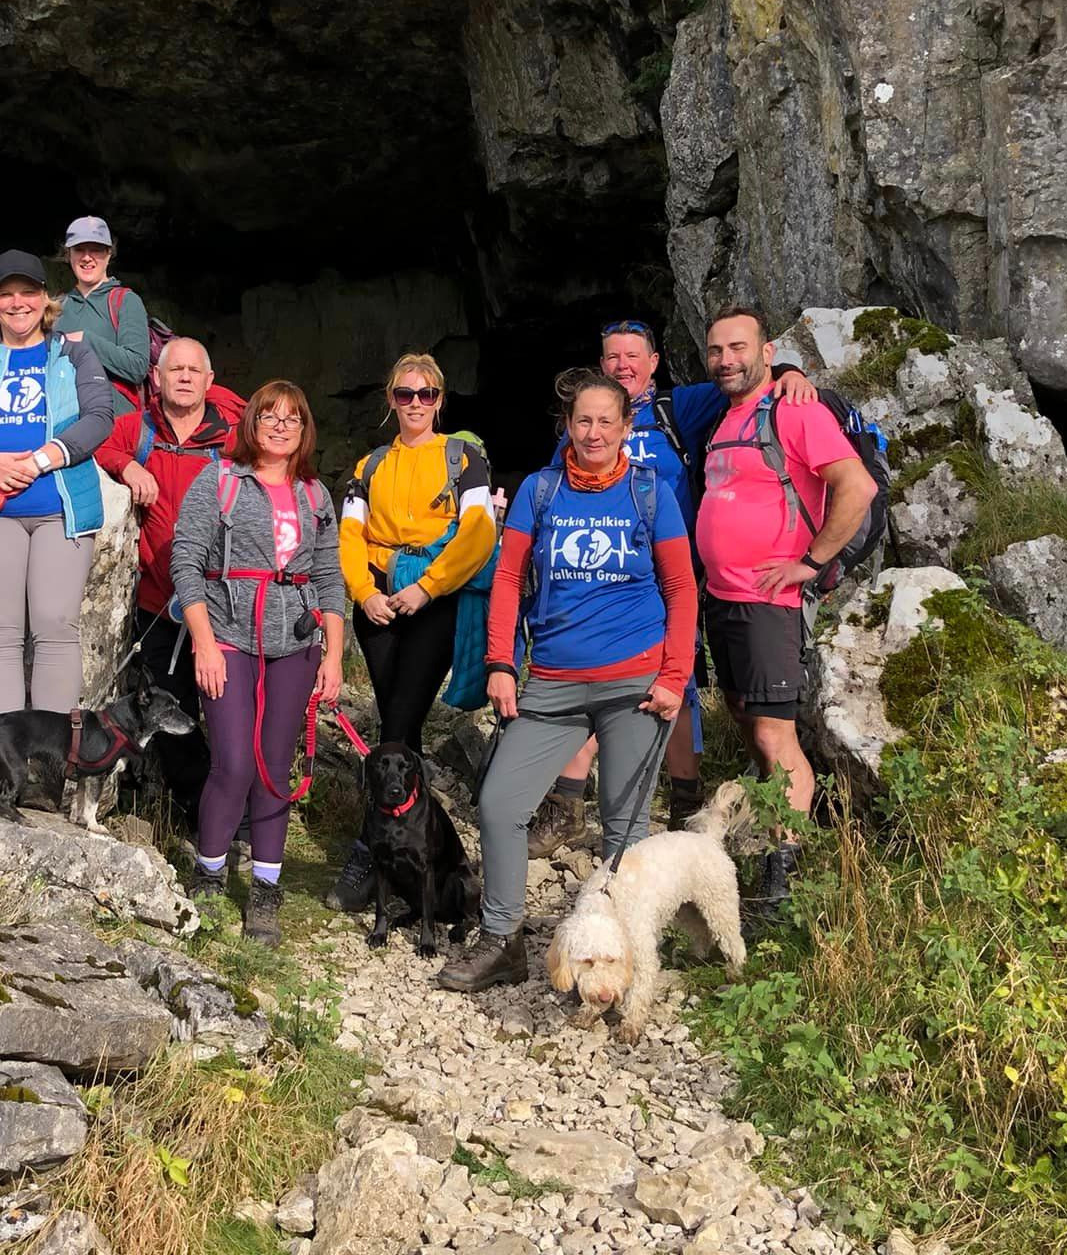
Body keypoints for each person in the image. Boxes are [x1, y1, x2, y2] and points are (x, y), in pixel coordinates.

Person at [437, 369, 699, 992]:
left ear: (627, 426)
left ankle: (621, 953)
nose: (594, 432)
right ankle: (502, 941)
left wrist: (675, 675)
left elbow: (682, 587)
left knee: (624, 828)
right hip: (552, 681)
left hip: (636, 684)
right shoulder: (540, 489)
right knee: (501, 805)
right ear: (567, 425)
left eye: (607, 421)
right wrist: (501, 663)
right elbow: (507, 578)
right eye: (583, 420)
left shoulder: (650, 491)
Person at [527, 320, 818, 855]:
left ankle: (685, 801)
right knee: (590, 677)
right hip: (603, 577)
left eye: (633, 356)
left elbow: (742, 379)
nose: (623, 366)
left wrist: (787, 371)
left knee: (678, 683)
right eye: (612, 358)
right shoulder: (588, 420)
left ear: (654, 363)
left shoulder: (677, 407)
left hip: (673, 575)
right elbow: (555, 494)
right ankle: (567, 805)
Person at [698, 306, 877, 911]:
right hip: (725, 599)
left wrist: (813, 562)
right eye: (716, 350)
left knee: (774, 735)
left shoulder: (794, 411)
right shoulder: (727, 417)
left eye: (738, 347)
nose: (726, 359)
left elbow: (857, 486)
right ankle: (776, 818)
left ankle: (784, 878)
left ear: (767, 352)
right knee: (747, 719)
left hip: (770, 602)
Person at [168, 381, 347, 947]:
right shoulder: (219, 480)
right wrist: (203, 642)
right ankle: (210, 873)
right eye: (269, 416)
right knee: (233, 764)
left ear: (305, 430)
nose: (280, 426)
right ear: (252, 423)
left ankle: (266, 890)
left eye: (292, 418)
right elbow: (186, 560)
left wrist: (335, 656)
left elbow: (329, 577)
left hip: (296, 643)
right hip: (227, 636)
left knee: (273, 767)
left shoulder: (315, 494)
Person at [327, 353, 496, 914]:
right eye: (405, 394)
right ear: (391, 401)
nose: (416, 403)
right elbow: (350, 534)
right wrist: (363, 591)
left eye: (426, 394)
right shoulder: (369, 465)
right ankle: (416, 852)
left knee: (398, 723)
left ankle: (367, 851)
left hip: (433, 599)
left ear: (440, 399)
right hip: (377, 600)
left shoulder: (463, 460)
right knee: (401, 728)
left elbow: (478, 531)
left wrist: (428, 586)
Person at [0, 250, 116, 719]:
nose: (18, 303)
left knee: (56, 629)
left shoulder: (75, 354)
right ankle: (3, 751)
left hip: (62, 510)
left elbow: (99, 417)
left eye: (28, 292)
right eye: (6, 294)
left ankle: (51, 755)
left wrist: (38, 461)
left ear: (45, 298)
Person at [93, 337, 241, 719]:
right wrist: (127, 465)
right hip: (158, 602)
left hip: (218, 602)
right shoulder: (137, 429)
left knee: (229, 716)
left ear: (209, 380)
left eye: (194, 370)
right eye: (176, 369)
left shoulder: (233, 438)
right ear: (157, 378)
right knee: (168, 715)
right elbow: (95, 446)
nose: (185, 378)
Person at [55, 217, 152, 402]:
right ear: (68, 255)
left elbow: (138, 367)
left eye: (96, 249)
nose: (87, 257)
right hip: (63, 415)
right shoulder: (57, 306)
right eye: (79, 249)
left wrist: (86, 340)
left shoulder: (126, 301)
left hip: (114, 416)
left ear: (109, 254)